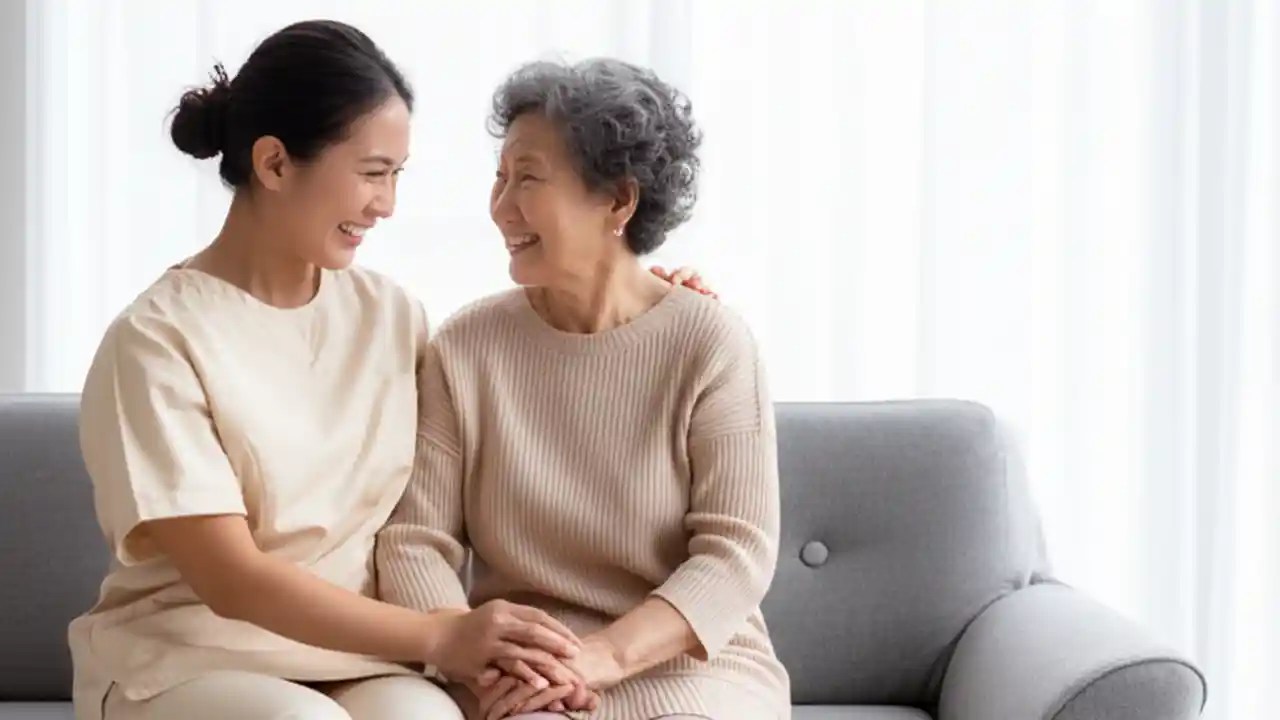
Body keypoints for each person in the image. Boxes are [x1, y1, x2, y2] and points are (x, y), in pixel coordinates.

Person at [69, 21, 703, 720]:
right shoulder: (157, 341)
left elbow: (529, 374)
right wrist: (441, 634)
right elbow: (232, 581)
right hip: (192, 659)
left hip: (363, 660)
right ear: (275, 164)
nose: (387, 205)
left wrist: (653, 307)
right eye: (372, 173)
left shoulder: (390, 316)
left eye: (397, 176)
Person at [377, 58, 790, 720]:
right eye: (500, 177)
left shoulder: (710, 342)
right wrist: (472, 652)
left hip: (689, 667)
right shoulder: (466, 347)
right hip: (521, 671)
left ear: (619, 201)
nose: (501, 207)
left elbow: (736, 554)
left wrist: (602, 657)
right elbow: (414, 541)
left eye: (529, 178)